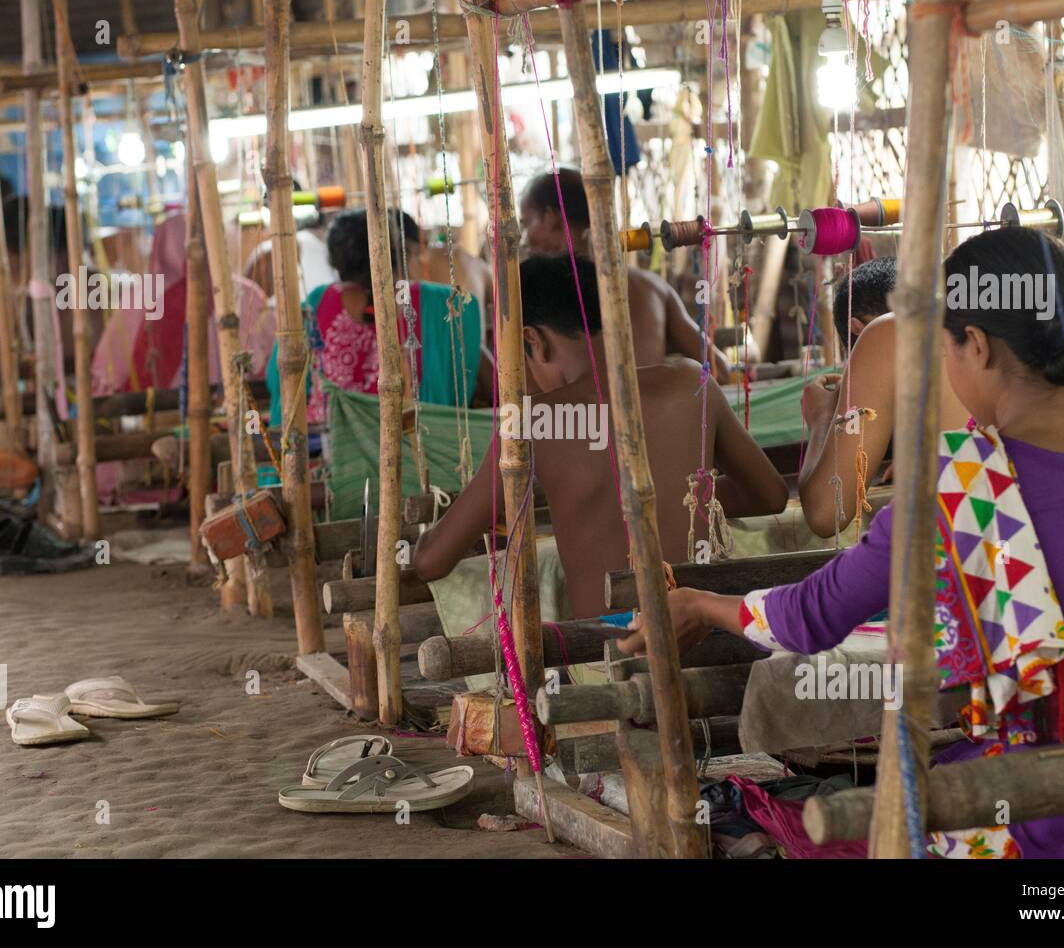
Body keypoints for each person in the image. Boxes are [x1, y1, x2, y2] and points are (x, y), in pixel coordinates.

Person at [623, 226, 1064, 858]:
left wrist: (702, 605)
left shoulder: (958, 489)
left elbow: (807, 617)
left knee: (903, 820)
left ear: (975, 345)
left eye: (944, 349)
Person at [413, 254, 787, 620]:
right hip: (707, 630)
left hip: (609, 654)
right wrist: (676, 497)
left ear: (533, 340)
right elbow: (770, 494)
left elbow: (431, 562)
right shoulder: (693, 384)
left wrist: (420, 539)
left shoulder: (533, 421)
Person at [800, 253, 1064, 539]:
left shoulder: (888, 334)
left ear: (857, 330)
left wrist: (822, 418)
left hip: (1015, 576)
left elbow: (828, 512)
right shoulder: (1034, 327)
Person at [265, 208, 490, 426]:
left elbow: (282, 380)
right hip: (418, 452)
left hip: (330, 454)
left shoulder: (316, 305)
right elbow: (486, 370)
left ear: (336, 261)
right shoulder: (439, 304)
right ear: (396, 253)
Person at [519, 169, 732, 384]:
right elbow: (719, 369)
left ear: (550, 217)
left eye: (527, 223)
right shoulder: (652, 288)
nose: (525, 240)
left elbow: (518, 391)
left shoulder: (536, 298)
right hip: (654, 416)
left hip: (581, 417)